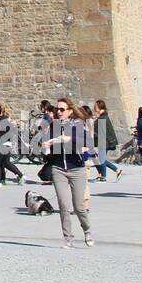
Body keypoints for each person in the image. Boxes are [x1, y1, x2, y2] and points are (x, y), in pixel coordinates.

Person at [42, 98, 95, 248]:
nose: (58, 112)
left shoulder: (78, 125)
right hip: (58, 169)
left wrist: (70, 139)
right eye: (57, 109)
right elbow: (48, 149)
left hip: (77, 169)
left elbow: (88, 142)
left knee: (78, 206)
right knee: (63, 204)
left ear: (70, 111)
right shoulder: (53, 126)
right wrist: (46, 147)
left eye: (62, 109)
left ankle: (87, 230)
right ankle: (68, 239)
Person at [91, 100, 123, 181]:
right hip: (104, 141)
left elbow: (101, 132)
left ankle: (104, 177)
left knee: (102, 159)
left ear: (99, 106)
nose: (94, 107)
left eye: (96, 105)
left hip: (103, 141)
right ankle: (115, 171)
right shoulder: (102, 116)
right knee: (102, 159)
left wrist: (92, 133)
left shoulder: (103, 117)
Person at [0, 103, 24, 186]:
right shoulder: (6, 119)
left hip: (1, 143)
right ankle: (16, 176)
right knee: (5, 162)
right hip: (8, 143)